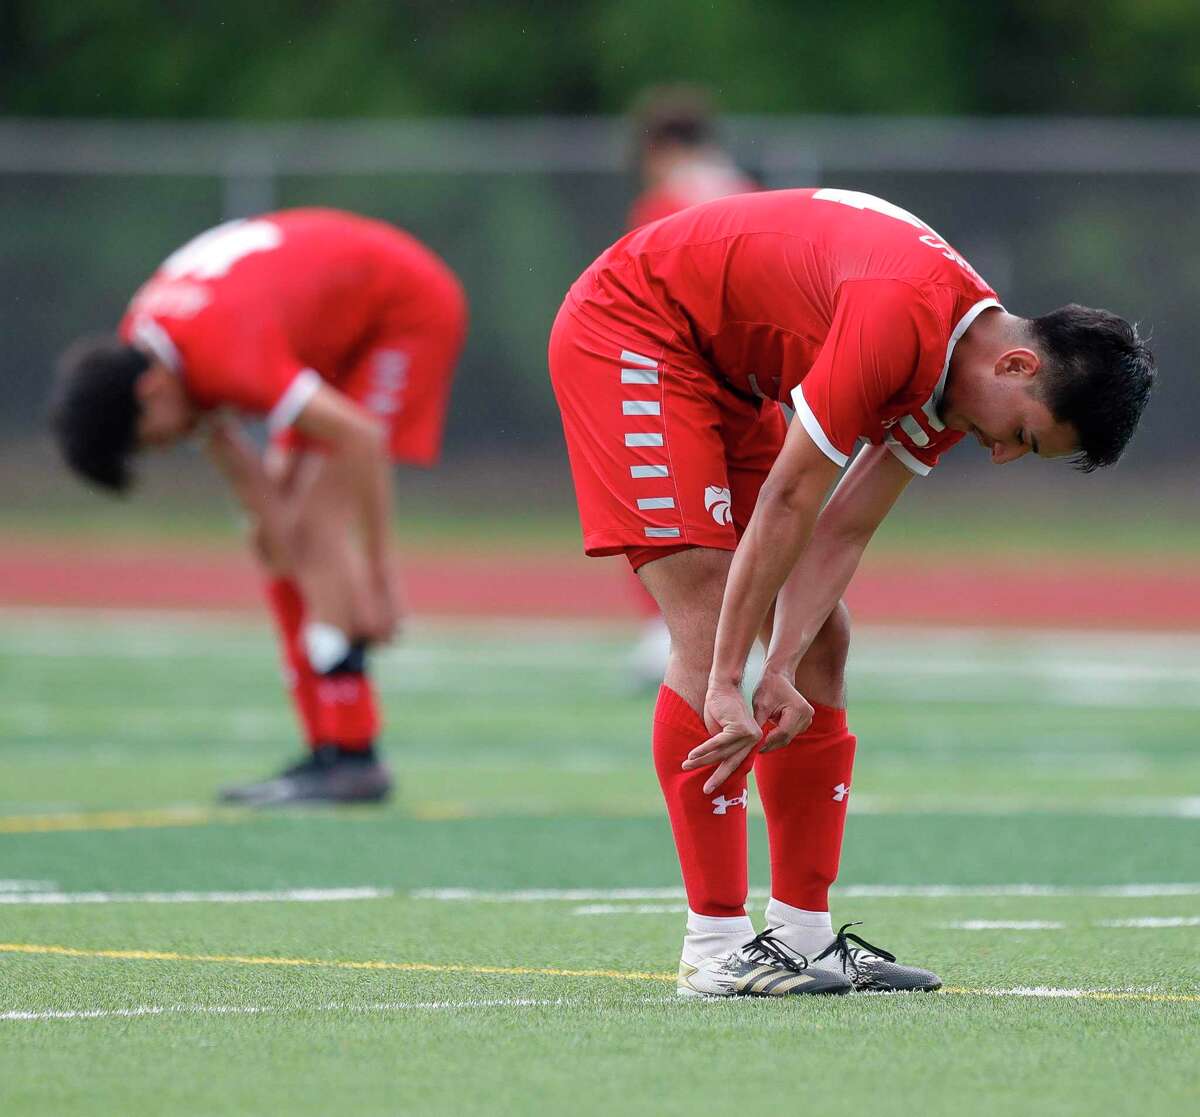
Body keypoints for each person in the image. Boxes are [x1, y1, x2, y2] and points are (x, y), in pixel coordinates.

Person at [548, 187, 1154, 996]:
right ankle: (714, 945)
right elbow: (792, 498)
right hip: (633, 330)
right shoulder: (902, 316)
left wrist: (780, 664)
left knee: (822, 641)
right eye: (1022, 435)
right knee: (709, 617)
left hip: (720, 370)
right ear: (1018, 365)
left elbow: (840, 531)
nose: (1002, 455)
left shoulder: (958, 371)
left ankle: (802, 934)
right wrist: (732, 677)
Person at [51, 209, 467, 805]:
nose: (162, 448)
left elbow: (362, 440)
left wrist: (379, 580)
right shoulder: (156, 355)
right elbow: (266, 516)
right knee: (280, 537)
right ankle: (325, 746)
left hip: (402, 309)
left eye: (149, 442)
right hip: (333, 323)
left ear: (151, 393)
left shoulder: (217, 350)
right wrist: (279, 546)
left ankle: (354, 756)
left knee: (316, 525)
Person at [624, 86, 760, 689]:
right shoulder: (749, 192)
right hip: (755, 374)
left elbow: (640, 287)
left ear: (658, 147)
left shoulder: (663, 203)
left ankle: (673, 632)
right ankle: (753, 635)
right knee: (750, 506)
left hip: (681, 371)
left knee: (661, 502)